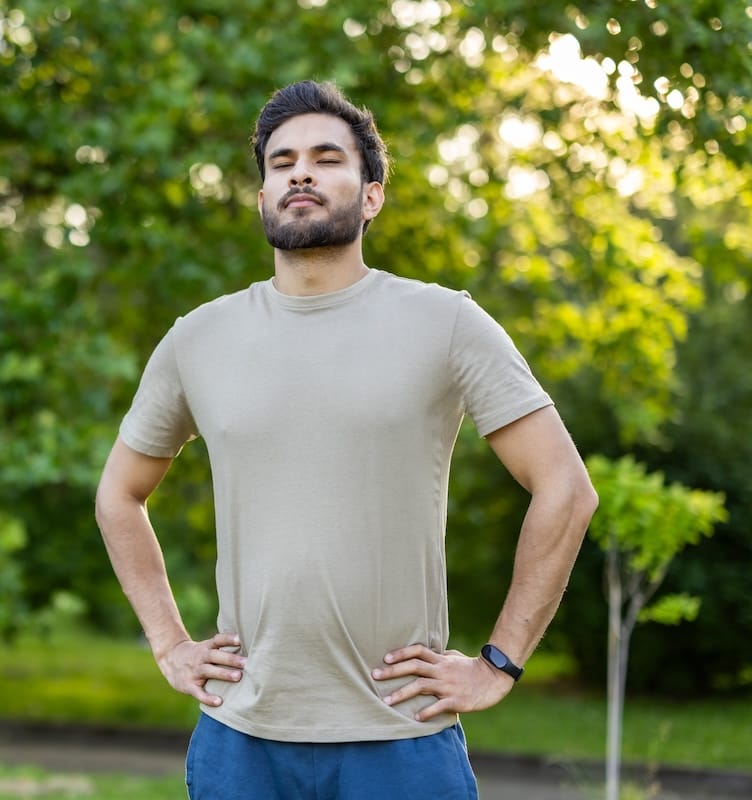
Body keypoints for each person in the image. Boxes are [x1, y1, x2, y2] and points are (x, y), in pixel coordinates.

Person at [94, 80, 598, 799]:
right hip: (240, 742)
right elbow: (119, 495)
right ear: (262, 197)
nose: (300, 173)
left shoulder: (446, 323)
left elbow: (566, 489)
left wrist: (499, 663)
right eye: (282, 162)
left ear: (371, 196)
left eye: (327, 158)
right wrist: (170, 643)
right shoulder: (197, 339)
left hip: (401, 740)